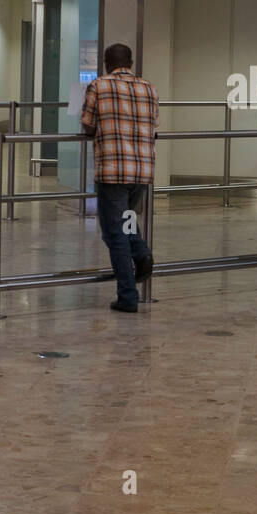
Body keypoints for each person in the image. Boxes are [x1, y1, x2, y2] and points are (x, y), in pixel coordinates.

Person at [79, 43, 157, 313]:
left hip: (112, 170)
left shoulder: (98, 86)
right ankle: (141, 252)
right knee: (126, 221)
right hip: (142, 170)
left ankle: (128, 295)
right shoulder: (148, 87)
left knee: (115, 235)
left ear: (105, 63)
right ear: (131, 63)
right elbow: (154, 122)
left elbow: (88, 125)